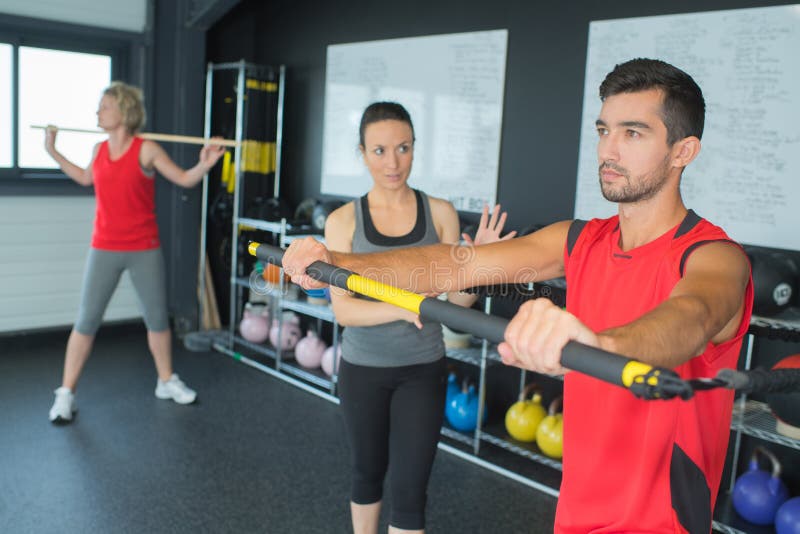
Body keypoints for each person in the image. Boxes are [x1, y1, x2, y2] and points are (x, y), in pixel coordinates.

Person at [281, 60, 753, 533]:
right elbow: (454, 264)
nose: (608, 150)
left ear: (682, 151)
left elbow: (692, 317)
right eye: (604, 130)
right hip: (575, 510)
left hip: (660, 522)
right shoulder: (579, 240)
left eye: (633, 134)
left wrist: (599, 346)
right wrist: (337, 262)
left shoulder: (714, 256)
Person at [324, 102, 514, 534]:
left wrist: (476, 265)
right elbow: (344, 312)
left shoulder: (441, 214)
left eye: (403, 148)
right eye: (379, 150)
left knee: (412, 490)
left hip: (423, 370)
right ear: (362, 152)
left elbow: (453, 309)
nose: (392, 162)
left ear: (415, 148)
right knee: (366, 474)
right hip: (363, 370)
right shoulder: (342, 222)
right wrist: (408, 304)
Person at [45, 81, 226, 424]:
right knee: (86, 321)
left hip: (143, 247)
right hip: (104, 247)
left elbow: (185, 179)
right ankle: (65, 394)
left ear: (124, 111)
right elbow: (85, 178)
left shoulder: (146, 149)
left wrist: (204, 163)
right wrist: (53, 151)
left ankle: (166, 381)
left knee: (157, 320)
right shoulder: (98, 150)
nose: (98, 112)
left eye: (105, 106)